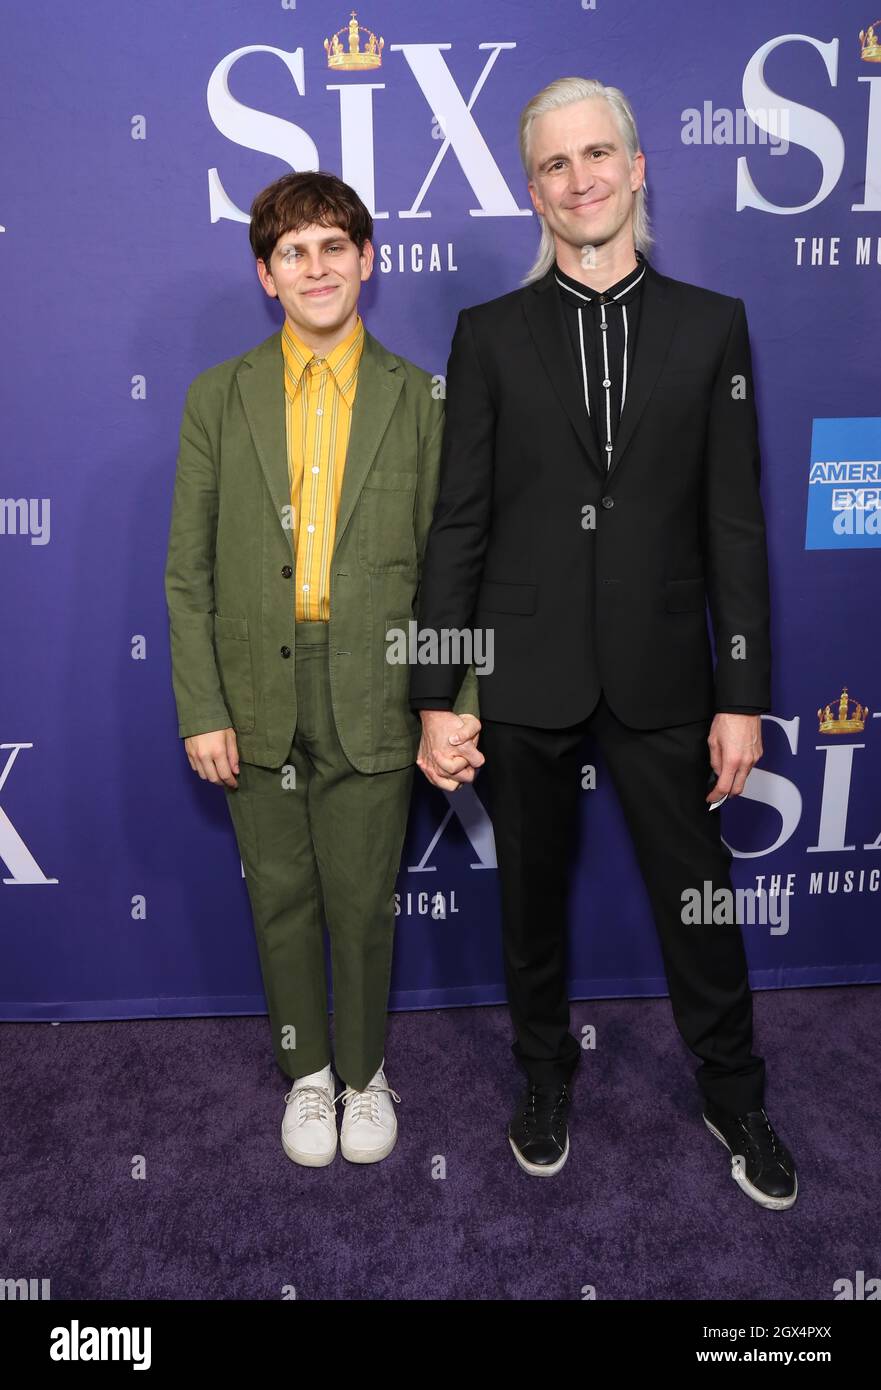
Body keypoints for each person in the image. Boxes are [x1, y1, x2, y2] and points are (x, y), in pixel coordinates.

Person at [410, 77, 797, 1209]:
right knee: (526, 898)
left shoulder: (710, 323)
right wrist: (437, 688)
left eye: (595, 156)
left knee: (701, 901)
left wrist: (742, 695)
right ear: (531, 190)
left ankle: (733, 1093)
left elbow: (735, 519)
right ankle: (542, 1077)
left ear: (636, 168)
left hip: (667, 671)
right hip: (525, 670)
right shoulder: (486, 334)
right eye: (552, 165)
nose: (577, 180)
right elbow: (460, 525)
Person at [164, 170, 480, 1167]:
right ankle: (305, 1074)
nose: (314, 267)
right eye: (292, 252)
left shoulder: (421, 399)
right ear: (267, 275)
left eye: (332, 247)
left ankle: (363, 1071)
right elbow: (188, 572)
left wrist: (450, 702)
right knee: (281, 895)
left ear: (366, 261)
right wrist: (203, 703)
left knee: (360, 896)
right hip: (255, 690)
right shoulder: (218, 397)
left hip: (375, 691)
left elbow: (452, 566)